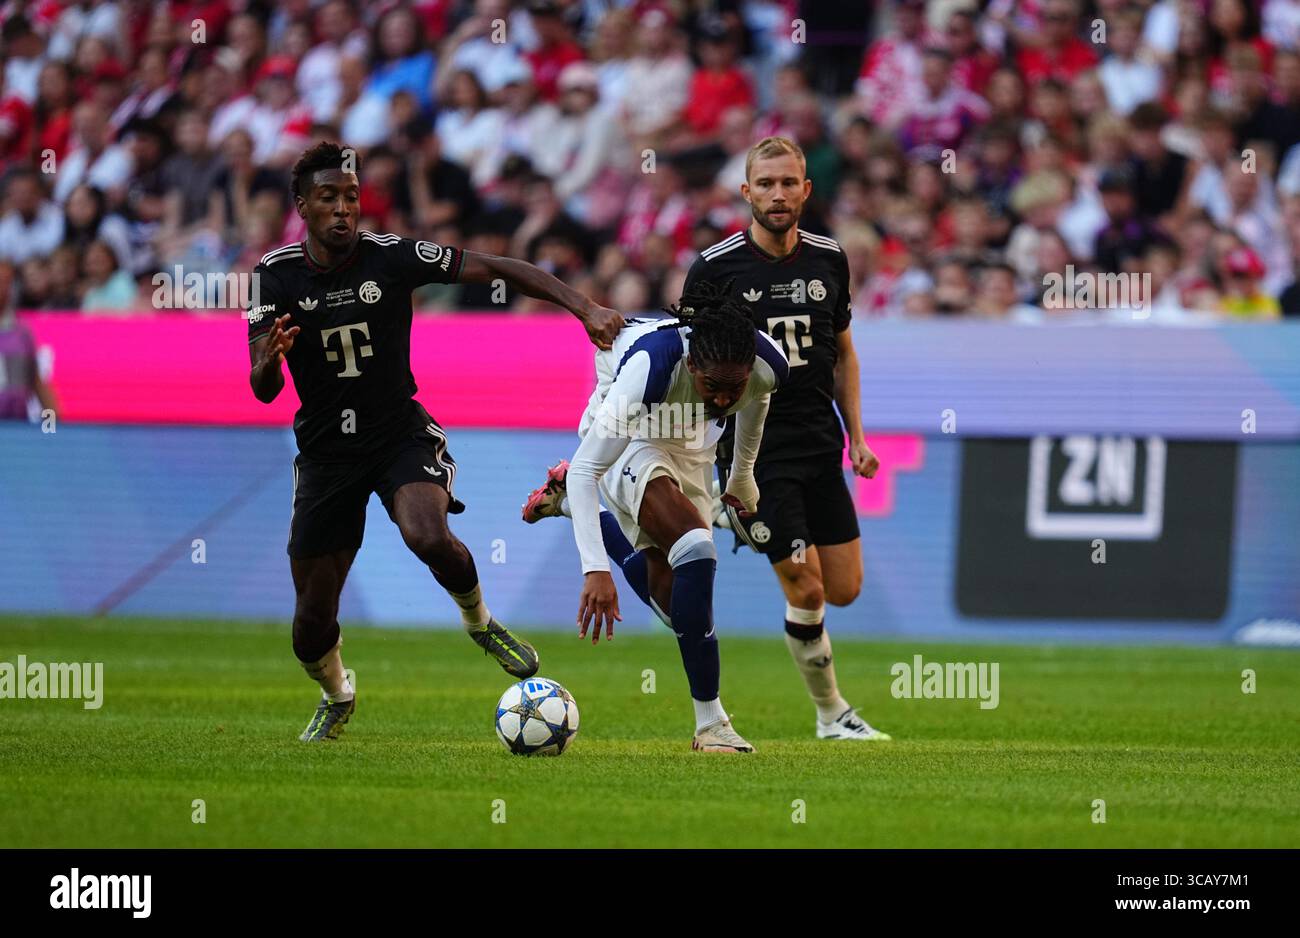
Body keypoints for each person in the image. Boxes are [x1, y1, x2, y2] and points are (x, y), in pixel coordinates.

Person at [246, 142, 622, 742]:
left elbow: (495, 267)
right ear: (302, 206)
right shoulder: (273, 274)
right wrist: (269, 359)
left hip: (397, 431)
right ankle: (337, 692)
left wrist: (584, 306)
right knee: (310, 623)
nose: (344, 209)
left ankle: (480, 622)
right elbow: (263, 388)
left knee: (426, 533)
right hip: (324, 453)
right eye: (328, 199)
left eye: (351, 197)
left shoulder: (391, 255)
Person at [521, 282, 789, 753]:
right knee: (697, 550)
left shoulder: (766, 365)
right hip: (629, 436)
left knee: (675, 608)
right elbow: (585, 470)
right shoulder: (650, 367)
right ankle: (712, 725)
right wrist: (596, 570)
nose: (725, 400)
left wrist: (742, 475)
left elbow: (757, 401)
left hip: (692, 444)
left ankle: (567, 507)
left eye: (735, 387)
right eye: (713, 387)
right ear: (691, 366)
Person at [688, 136, 892, 741]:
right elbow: (691, 368)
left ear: (806, 190)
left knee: (844, 590)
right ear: (745, 191)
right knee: (804, 584)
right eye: (766, 184)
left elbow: (844, 353)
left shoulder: (831, 258)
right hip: (756, 457)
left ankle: (735, 523)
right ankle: (832, 714)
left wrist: (857, 436)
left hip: (820, 446)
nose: (778, 195)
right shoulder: (715, 269)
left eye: (788, 183)